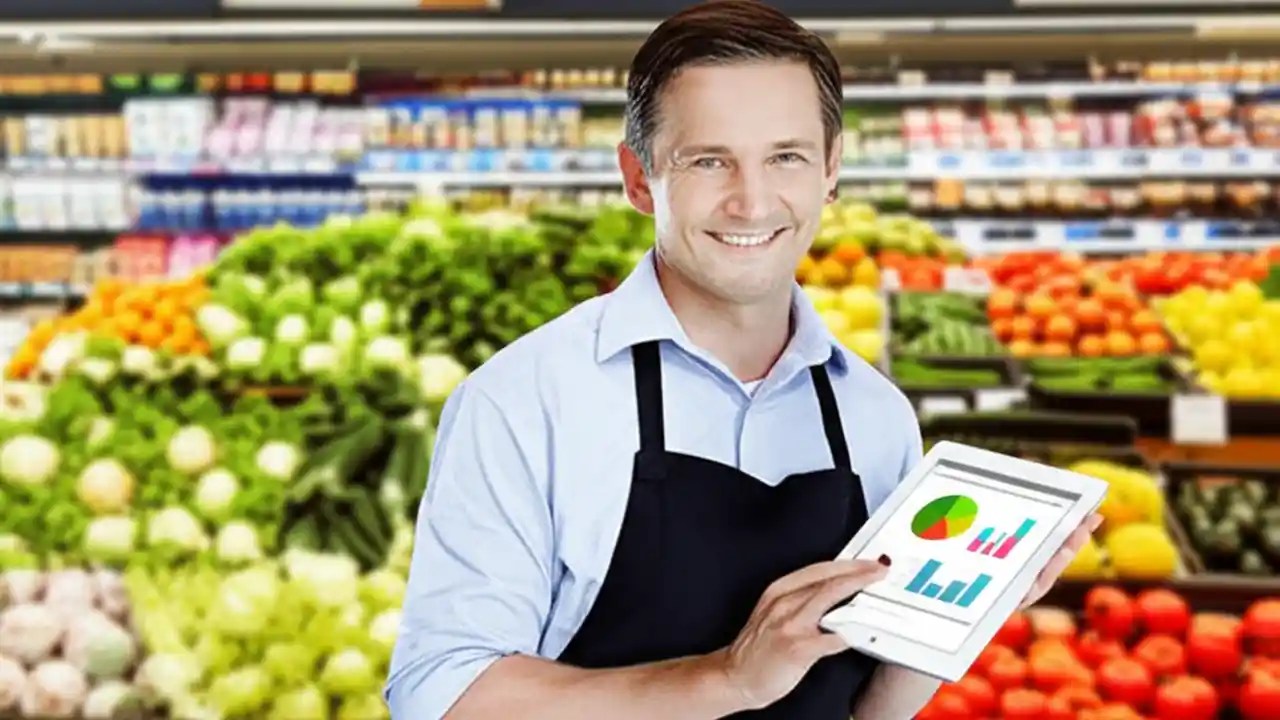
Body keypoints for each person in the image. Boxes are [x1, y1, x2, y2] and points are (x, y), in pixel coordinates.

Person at [385, 1, 1101, 718]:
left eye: (785, 157)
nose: (752, 202)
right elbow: (439, 696)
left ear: (830, 169)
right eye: (708, 161)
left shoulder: (874, 416)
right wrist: (728, 680)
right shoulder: (524, 400)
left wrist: (966, 613)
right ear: (639, 179)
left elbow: (859, 711)